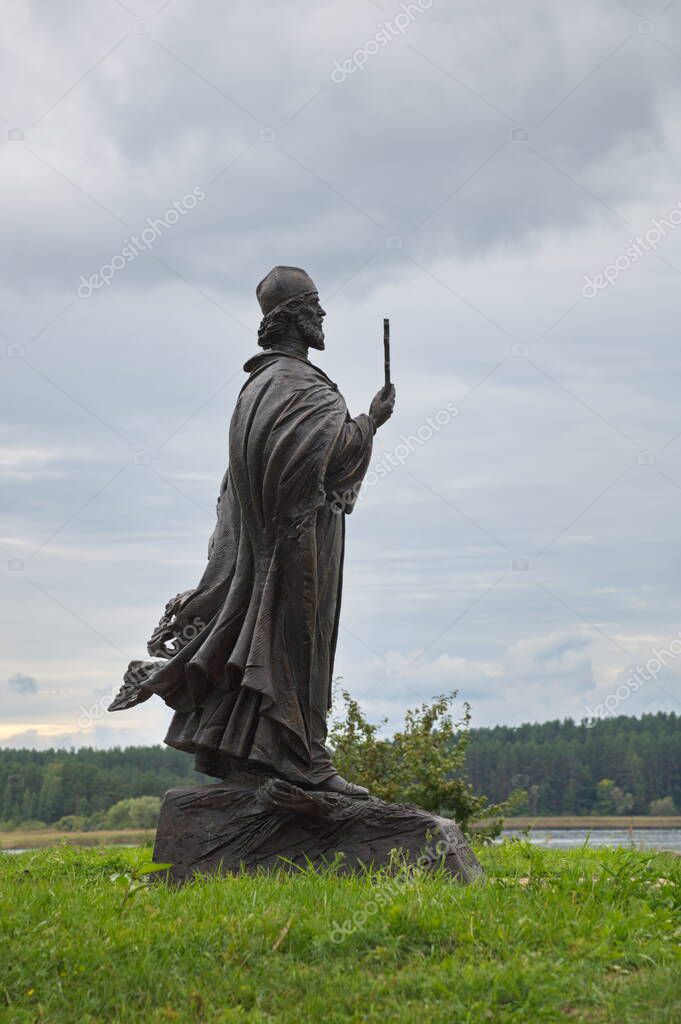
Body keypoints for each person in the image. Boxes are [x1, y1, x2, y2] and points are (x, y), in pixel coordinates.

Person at [109, 266, 396, 797]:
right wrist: (370, 422)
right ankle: (304, 758)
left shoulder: (260, 386)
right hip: (298, 546)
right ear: (290, 318)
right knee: (295, 645)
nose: (323, 315)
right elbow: (320, 464)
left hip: (271, 547)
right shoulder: (295, 384)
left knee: (266, 641)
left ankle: (252, 757)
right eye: (314, 306)